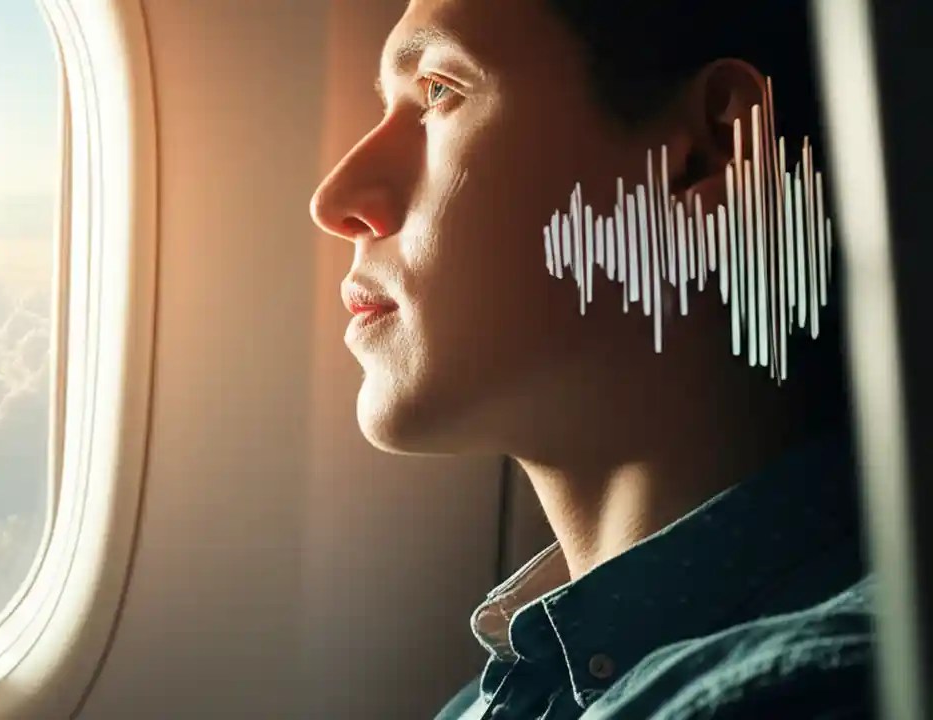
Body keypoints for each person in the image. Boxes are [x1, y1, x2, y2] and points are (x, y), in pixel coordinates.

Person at [308, 1, 875, 718]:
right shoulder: (494, 700)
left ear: (709, 150)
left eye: (439, 92)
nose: (338, 200)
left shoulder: (814, 690)